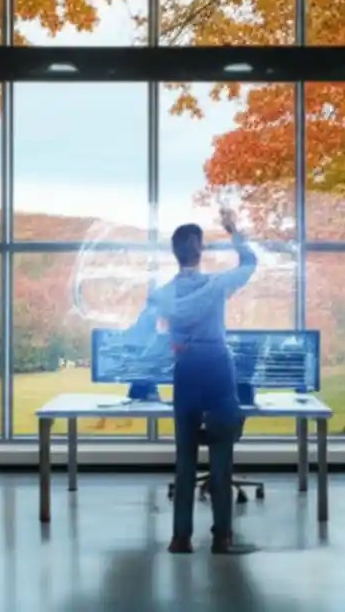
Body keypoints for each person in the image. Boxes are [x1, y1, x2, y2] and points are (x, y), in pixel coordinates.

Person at [146, 209, 257, 555]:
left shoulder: (163, 294)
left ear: (175, 252)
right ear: (200, 250)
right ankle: (222, 536)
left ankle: (181, 538)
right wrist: (234, 231)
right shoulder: (217, 285)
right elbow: (250, 262)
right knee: (222, 456)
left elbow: (152, 333)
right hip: (217, 368)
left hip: (187, 371)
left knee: (185, 460)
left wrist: (173, 341)